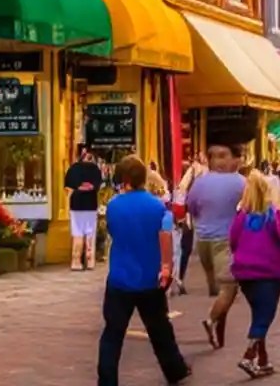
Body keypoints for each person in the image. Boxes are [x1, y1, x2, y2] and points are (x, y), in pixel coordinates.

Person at [98, 155, 191, 386]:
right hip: (150, 278)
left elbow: (112, 231)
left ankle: (107, 380)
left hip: (120, 278)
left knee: (113, 333)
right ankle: (175, 369)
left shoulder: (113, 206)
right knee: (159, 328)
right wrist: (167, 267)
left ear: (124, 179)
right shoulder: (157, 206)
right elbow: (165, 236)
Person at [229, 171, 280, 377]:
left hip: (244, 272)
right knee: (265, 315)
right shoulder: (276, 215)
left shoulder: (242, 216)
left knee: (258, 313)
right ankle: (249, 354)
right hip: (269, 272)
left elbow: (233, 241)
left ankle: (262, 359)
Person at [186, 140, 247, 349]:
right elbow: (252, 206)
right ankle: (212, 320)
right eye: (219, 156)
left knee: (219, 289)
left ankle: (219, 333)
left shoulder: (200, 183)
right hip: (225, 241)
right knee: (229, 289)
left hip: (202, 240)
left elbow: (191, 207)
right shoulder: (240, 182)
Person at [172, 152, 207, 293]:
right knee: (186, 247)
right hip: (193, 215)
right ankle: (179, 277)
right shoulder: (198, 172)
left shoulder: (194, 172)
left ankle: (179, 277)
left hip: (190, 215)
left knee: (185, 247)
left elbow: (181, 190)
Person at [64, 147, 104, 271]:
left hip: (76, 204)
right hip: (91, 204)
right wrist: (90, 187)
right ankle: (90, 260)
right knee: (90, 233)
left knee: (77, 233)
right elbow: (98, 185)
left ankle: (76, 261)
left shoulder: (73, 169)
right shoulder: (95, 169)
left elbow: (68, 187)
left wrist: (78, 188)